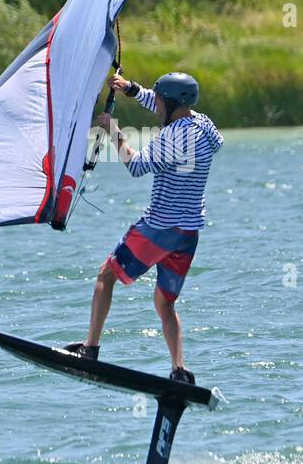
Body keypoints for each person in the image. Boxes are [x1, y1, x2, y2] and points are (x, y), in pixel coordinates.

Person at [65, 72, 223, 384]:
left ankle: (90, 350)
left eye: (159, 101)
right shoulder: (204, 126)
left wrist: (113, 132)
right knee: (165, 302)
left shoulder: (171, 139)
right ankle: (180, 370)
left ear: (172, 104)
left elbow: (136, 166)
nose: (157, 105)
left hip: (159, 228)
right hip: (188, 234)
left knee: (105, 276)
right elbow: (169, 111)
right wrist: (133, 90)